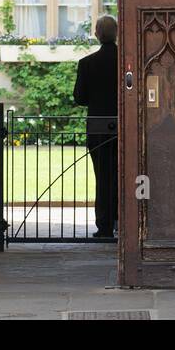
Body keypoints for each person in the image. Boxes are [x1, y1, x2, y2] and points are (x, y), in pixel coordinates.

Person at [73, 14, 119, 239]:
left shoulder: (87, 63)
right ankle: (124, 221)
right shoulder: (127, 61)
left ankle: (104, 226)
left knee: (103, 176)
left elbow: (80, 98)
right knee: (124, 174)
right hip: (123, 126)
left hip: (99, 127)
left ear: (97, 34)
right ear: (117, 33)